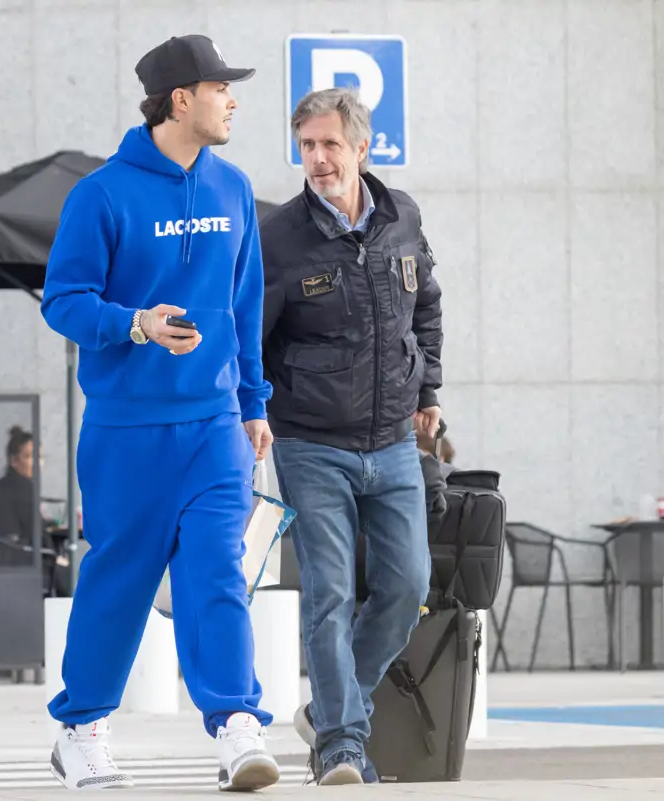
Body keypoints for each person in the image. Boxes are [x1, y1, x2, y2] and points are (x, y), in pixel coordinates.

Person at [38, 34, 281, 793]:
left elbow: (245, 306)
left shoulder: (233, 188)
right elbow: (64, 301)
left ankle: (237, 725)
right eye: (220, 87)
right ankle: (81, 729)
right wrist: (135, 322)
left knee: (218, 570)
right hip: (125, 430)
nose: (232, 98)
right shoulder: (101, 195)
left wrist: (251, 403)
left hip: (214, 428)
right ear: (181, 99)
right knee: (120, 581)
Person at [259, 87, 444, 785]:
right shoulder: (279, 236)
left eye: (330, 144)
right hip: (311, 442)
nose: (318, 158)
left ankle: (339, 706)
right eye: (307, 145)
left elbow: (425, 305)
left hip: (394, 440)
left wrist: (428, 392)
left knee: (407, 584)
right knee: (329, 592)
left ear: (362, 148)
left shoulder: (403, 218)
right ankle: (341, 742)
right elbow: (255, 337)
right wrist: (255, 412)